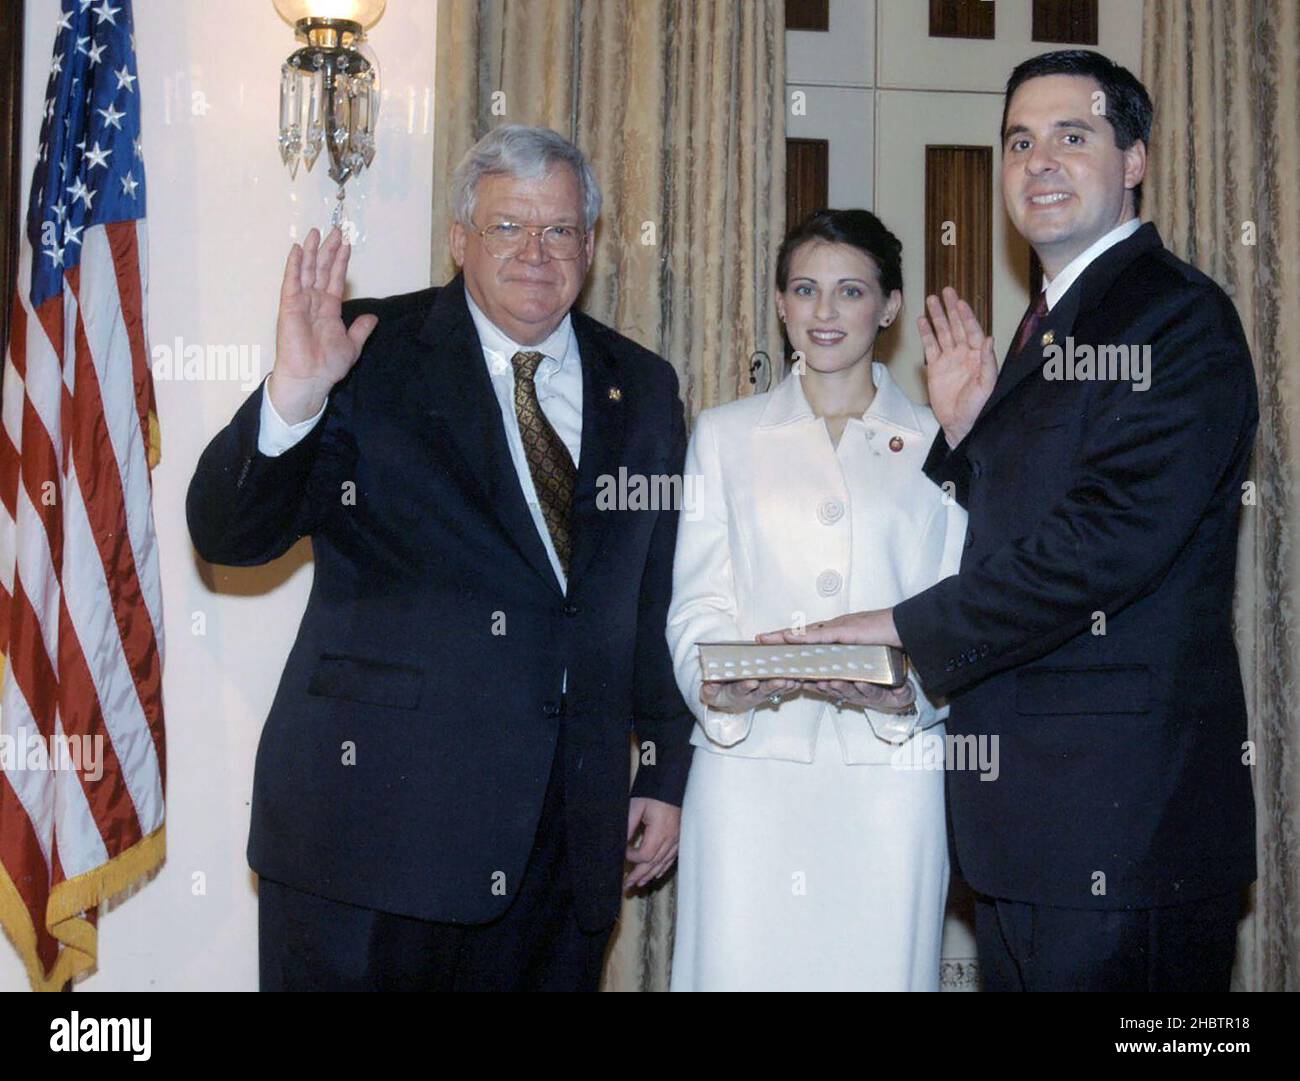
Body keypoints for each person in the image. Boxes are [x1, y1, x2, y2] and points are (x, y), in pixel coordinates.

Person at [760, 51, 1259, 991]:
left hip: (1124, 831)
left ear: (1135, 159)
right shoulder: (1046, 324)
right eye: (1019, 141)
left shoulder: (1177, 319)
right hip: (1030, 835)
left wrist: (901, 627)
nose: (1038, 161)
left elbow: (1105, 545)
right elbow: (1028, 525)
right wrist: (971, 432)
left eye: (1073, 136)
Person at [186, 125, 694, 991]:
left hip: (562, 845)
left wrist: (664, 767)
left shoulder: (641, 386)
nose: (537, 252)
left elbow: (651, 596)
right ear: (459, 239)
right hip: (371, 837)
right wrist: (295, 398)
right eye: (507, 228)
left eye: (561, 229)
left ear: (592, 244)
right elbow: (228, 533)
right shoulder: (365, 350)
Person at [666, 210, 967, 991]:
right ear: (780, 302)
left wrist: (912, 693)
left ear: (890, 307)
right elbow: (695, 601)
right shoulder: (723, 435)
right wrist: (716, 686)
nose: (825, 312)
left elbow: (965, 609)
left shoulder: (949, 440)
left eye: (850, 291)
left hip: (890, 774)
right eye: (806, 289)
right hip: (747, 770)